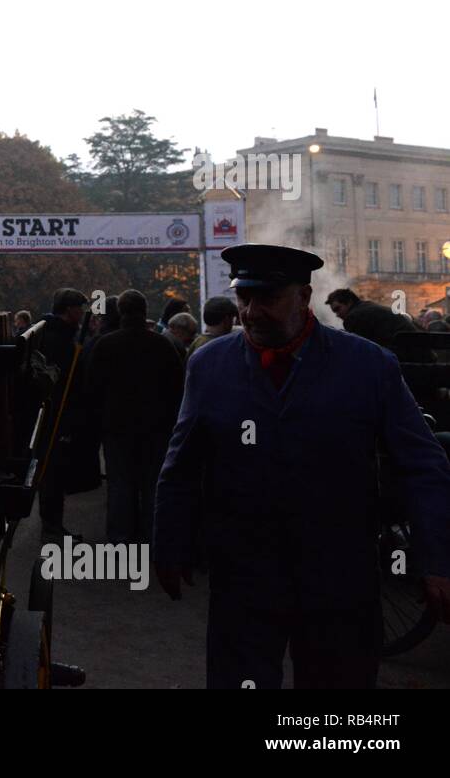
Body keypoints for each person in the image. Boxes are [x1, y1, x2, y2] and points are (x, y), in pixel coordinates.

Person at [154, 244, 450, 689]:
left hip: (340, 577)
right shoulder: (209, 365)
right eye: (244, 298)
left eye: (268, 298)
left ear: (303, 296)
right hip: (244, 576)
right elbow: (181, 464)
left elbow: (423, 466)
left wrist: (437, 559)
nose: (251, 312)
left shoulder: (368, 366)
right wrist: (170, 545)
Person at [82, 290, 184, 544]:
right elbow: (177, 388)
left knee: (120, 483)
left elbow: (92, 387)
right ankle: (153, 533)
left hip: (116, 425)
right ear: (145, 311)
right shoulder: (162, 344)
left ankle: (121, 537)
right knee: (152, 484)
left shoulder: (106, 345)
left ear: (120, 312)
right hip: (156, 427)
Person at [36, 288, 91, 541]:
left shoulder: (54, 332)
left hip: (57, 411)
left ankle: (53, 524)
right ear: (69, 309)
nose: (83, 312)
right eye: (81, 307)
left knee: (53, 472)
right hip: (56, 412)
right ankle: (52, 526)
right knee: (52, 472)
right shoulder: (58, 337)